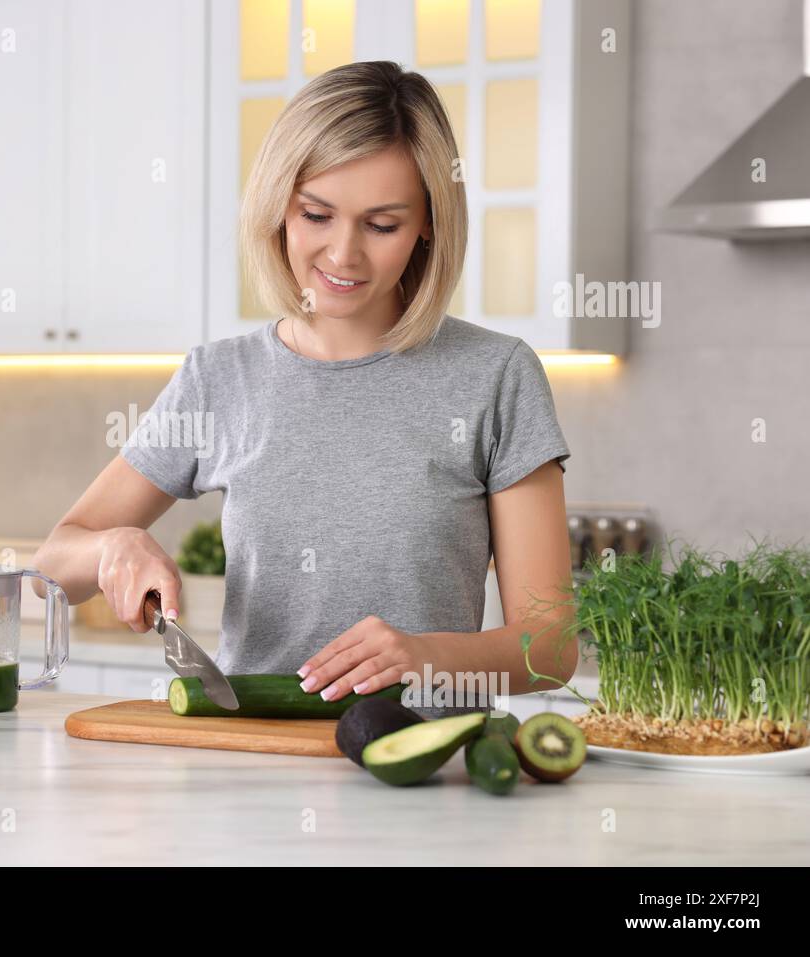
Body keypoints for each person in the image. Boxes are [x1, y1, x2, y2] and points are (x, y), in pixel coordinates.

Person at [33, 61, 576, 707]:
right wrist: (112, 549)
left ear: (429, 221)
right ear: (279, 207)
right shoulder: (218, 379)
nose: (342, 254)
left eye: (382, 225)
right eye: (316, 214)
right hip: (254, 775)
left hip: (421, 769)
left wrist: (426, 655)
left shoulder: (496, 376)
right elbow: (46, 573)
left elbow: (549, 647)